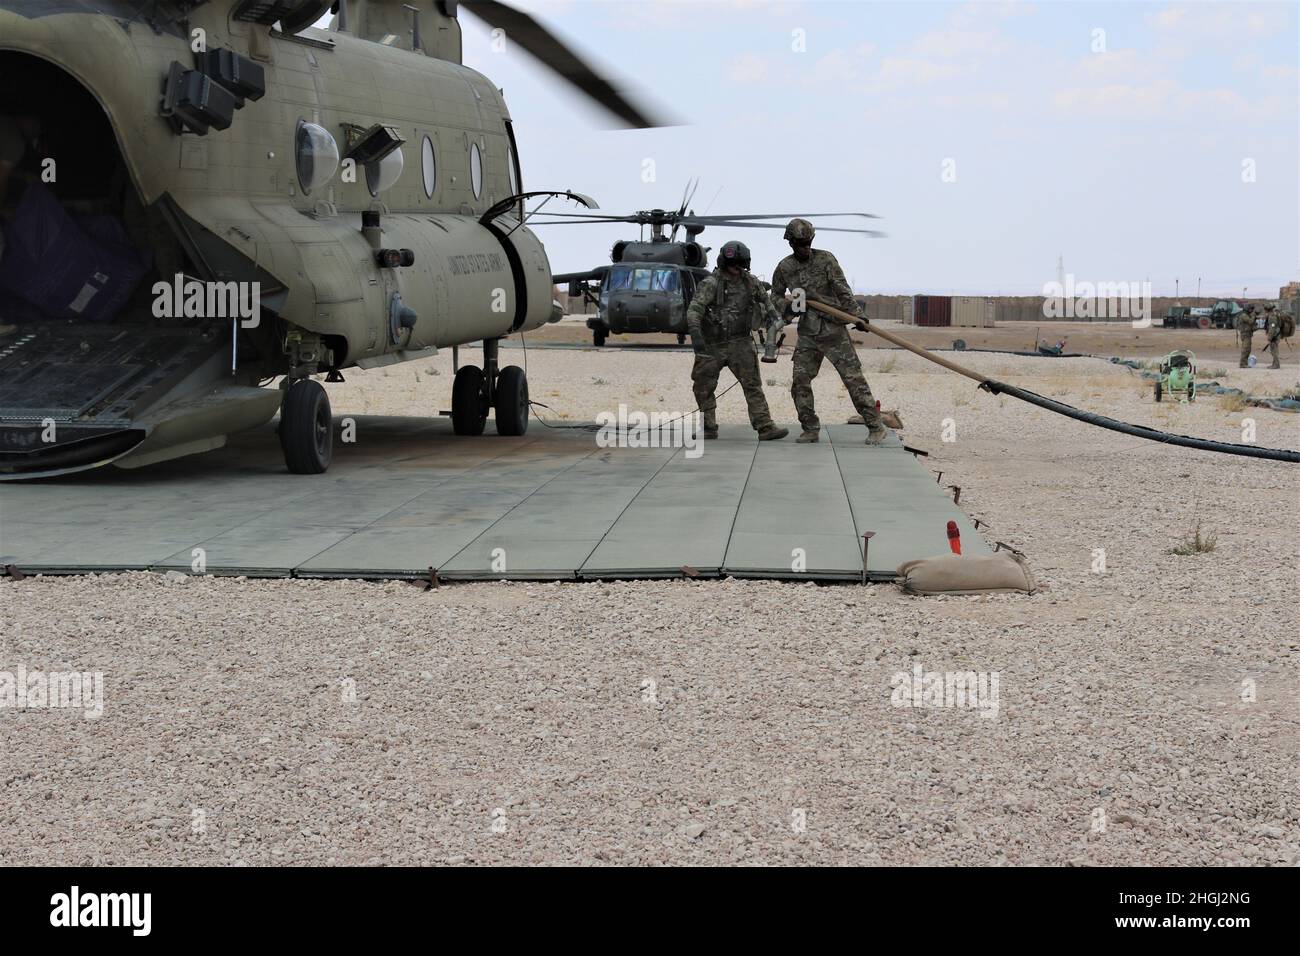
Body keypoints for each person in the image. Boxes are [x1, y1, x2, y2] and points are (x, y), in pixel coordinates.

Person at [769, 218, 886, 444]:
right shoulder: (785, 267)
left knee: (853, 379)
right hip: (809, 333)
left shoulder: (826, 259)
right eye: (799, 244)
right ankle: (810, 428)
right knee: (800, 381)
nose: (804, 248)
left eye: (807, 243)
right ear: (791, 243)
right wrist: (789, 304)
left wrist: (857, 316)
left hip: (834, 330)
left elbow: (842, 289)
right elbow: (774, 296)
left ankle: (875, 426)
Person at [686, 241, 788, 441]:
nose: (737, 269)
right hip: (712, 345)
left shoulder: (750, 282)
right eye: (734, 265)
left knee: (752, 385)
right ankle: (708, 427)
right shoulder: (711, 284)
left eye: (741, 265)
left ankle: (765, 427)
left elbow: (768, 306)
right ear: (725, 262)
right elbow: (694, 310)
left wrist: (775, 321)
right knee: (702, 386)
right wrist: (696, 334)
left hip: (740, 343)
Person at [1236, 304, 1257, 368]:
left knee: (1248, 349)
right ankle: (1242, 364)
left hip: (1248, 334)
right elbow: (1250, 321)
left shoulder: (1247, 315)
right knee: (1245, 349)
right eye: (1251, 309)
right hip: (1245, 334)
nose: (1251, 310)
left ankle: (1245, 363)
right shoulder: (1243, 315)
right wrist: (1254, 316)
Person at [1263, 304, 1283, 369]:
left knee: (1274, 350)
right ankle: (1275, 364)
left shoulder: (1272, 316)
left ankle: (1276, 365)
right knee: (1274, 350)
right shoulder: (1274, 314)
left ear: (1267, 310)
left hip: (1274, 336)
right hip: (1276, 335)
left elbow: (1272, 328)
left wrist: (1269, 338)